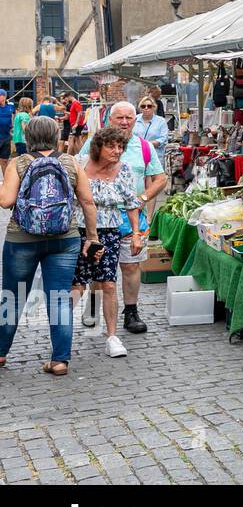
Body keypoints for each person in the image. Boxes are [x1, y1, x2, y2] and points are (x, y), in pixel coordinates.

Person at [0, 116, 99, 376]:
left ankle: (0, 353)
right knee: (59, 299)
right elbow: (88, 202)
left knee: (13, 296)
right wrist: (92, 237)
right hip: (65, 239)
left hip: (22, 239)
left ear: (28, 137)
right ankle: (59, 361)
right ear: (56, 136)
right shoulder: (70, 162)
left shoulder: (18, 163)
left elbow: (6, 201)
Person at [77, 101, 166, 334]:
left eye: (129, 118)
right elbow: (78, 171)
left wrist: (143, 198)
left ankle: (131, 311)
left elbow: (160, 178)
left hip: (131, 217)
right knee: (100, 268)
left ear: (135, 120)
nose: (125, 122)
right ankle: (95, 305)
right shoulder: (93, 143)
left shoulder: (144, 147)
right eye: (120, 118)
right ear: (110, 119)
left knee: (130, 266)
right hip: (98, 218)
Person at [71, 128, 143, 357]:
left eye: (120, 147)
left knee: (109, 284)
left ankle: (112, 337)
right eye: (111, 146)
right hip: (78, 232)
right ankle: (61, 332)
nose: (117, 151)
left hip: (110, 233)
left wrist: (135, 234)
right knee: (77, 286)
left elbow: (131, 203)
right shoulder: (79, 164)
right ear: (98, 147)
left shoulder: (124, 170)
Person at [133, 97, 170, 217]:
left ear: (154, 107)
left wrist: (148, 144)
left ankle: (149, 217)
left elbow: (164, 138)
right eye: (143, 106)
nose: (146, 108)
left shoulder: (160, 121)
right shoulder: (135, 120)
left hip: (155, 155)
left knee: (152, 186)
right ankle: (138, 212)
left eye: (149, 106)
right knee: (139, 184)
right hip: (138, 155)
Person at [0, 90, 13, 176]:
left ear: (4, 96)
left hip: (6, 137)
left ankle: (6, 180)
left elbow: (15, 117)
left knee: (4, 160)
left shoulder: (11, 106)